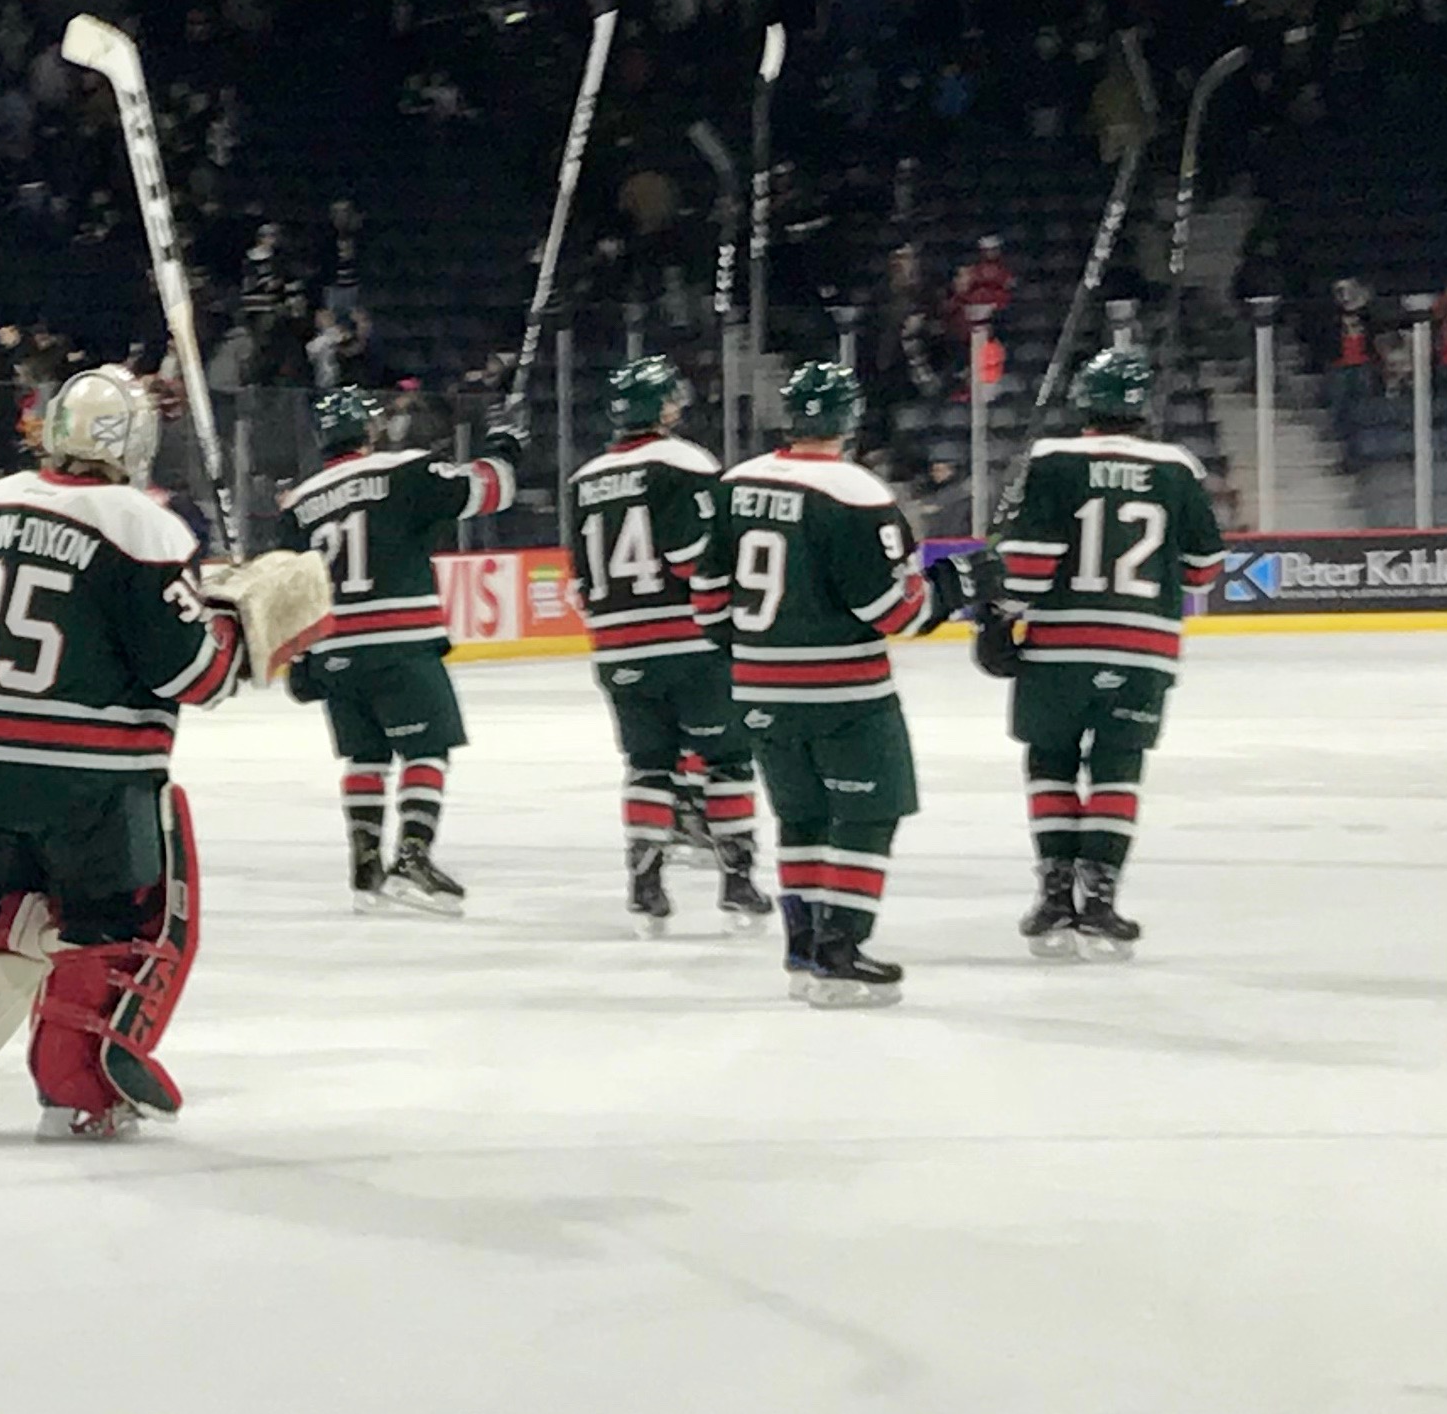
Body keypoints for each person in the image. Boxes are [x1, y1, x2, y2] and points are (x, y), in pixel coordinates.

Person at [0, 368, 330, 1140]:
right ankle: (80, 1091)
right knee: (113, 920)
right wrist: (234, 624)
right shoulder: (144, 526)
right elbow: (194, 675)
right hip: (90, 777)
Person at [696, 361, 975, 1008]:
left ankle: (802, 947)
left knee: (801, 816)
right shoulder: (856, 491)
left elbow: (708, 597)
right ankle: (841, 948)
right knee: (868, 811)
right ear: (848, 419)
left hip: (760, 688)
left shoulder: (736, 482)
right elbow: (894, 612)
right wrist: (954, 587)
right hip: (845, 694)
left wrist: (748, 652)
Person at [983, 348, 1225, 962]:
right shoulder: (1178, 468)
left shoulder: (1050, 460)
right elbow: (1203, 572)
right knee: (1118, 769)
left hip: (1057, 649)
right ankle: (1102, 897)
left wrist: (999, 615)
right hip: (1143, 650)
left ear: (1085, 400)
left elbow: (1030, 565)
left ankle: (1055, 893)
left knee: (1051, 762)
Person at [271, 387, 526, 915]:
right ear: (368, 431)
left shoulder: (297, 506)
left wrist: (297, 657)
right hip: (399, 645)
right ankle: (413, 853)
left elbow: (285, 590)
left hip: (333, 650)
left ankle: (365, 862)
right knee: (426, 749)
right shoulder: (402, 470)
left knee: (366, 757)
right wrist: (505, 446)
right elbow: (486, 490)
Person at [563, 360, 768, 937]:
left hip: (616, 646)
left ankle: (646, 884)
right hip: (689, 640)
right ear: (665, 408)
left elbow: (578, 575)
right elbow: (693, 557)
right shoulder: (686, 463)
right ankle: (738, 881)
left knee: (647, 765)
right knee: (727, 760)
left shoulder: (585, 478)